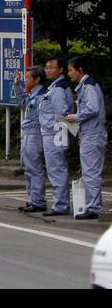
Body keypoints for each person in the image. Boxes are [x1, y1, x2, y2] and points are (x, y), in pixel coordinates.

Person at [66, 57, 104, 220]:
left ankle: (93, 207)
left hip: (93, 133)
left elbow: (93, 109)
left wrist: (76, 117)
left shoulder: (88, 86)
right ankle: (93, 205)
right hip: (90, 133)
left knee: (91, 172)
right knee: (90, 171)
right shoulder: (86, 86)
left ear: (80, 70)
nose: (69, 74)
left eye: (70, 70)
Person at [38, 57, 74, 217]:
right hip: (52, 132)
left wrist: (62, 135)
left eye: (51, 67)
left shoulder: (58, 89)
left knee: (56, 169)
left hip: (55, 133)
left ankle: (60, 205)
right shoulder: (54, 87)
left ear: (61, 70)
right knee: (56, 168)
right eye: (46, 67)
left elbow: (62, 113)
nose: (47, 70)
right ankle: (60, 203)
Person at [17, 65, 48, 214]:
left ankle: (38, 201)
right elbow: (24, 103)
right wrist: (18, 86)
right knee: (28, 168)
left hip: (35, 134)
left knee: (35, 168)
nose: (26, 80)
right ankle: (32, 199)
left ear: (37, 80)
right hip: (28, 133)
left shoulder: (42, 95)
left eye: (28, 78)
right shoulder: (33, 94)